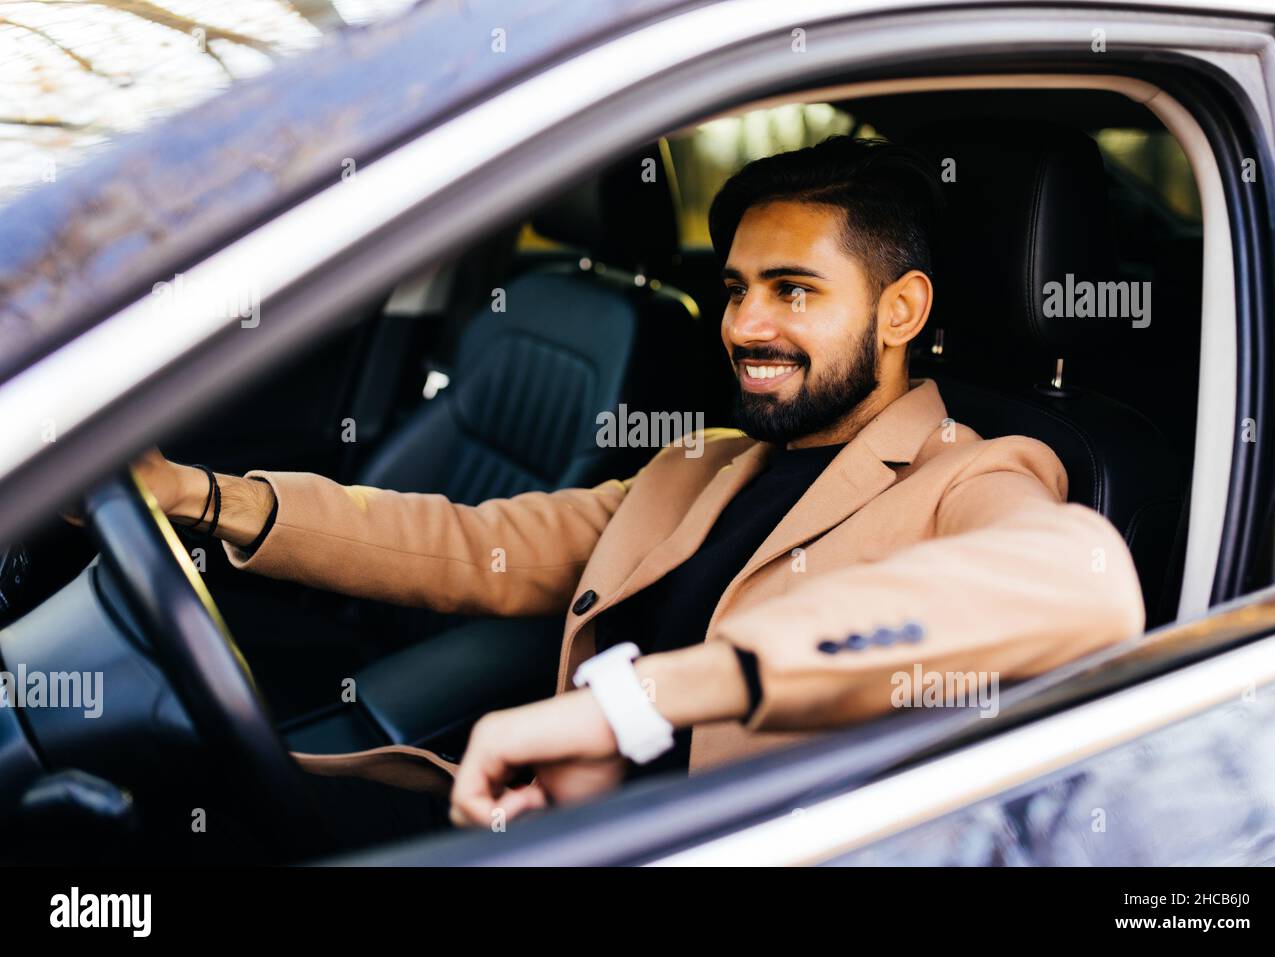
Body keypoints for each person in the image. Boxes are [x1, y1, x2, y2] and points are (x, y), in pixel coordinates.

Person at [136, 137, 1145, 830]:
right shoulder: (700, 461)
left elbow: (1087, 582)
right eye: (737, 289)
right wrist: (201, 497)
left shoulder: (973, 471)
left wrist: (633, 705)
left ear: (899, 310)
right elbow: (463, 542)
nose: (745, 327)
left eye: (793, 291)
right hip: (533, 824)